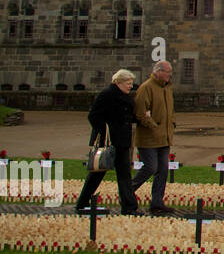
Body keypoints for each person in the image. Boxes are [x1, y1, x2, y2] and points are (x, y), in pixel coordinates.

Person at [75, 69, 139, 215]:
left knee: (124, 175)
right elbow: (93, 116)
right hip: (108, 142)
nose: (130, 86)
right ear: (118, 82)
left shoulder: (126, 97)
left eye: (131, 83)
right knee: (97, 172)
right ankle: (82, 203)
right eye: (128, 83)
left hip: (122, 142)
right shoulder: (106, 95)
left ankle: (129, 207)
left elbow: (128, 116)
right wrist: (106, 131)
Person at [131, 60, 177, 215]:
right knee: (150, 167)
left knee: (162, 170)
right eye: (167, 71)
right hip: (149, 138)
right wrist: (154, 127)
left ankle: (157, 203)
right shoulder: (146, 88)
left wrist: (171, 124)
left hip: (164, 137)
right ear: (158, 71)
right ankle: (127, 191)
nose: (170, 74)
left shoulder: (167, 89)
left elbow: (169, 111)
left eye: (170, 72)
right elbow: (140, 113)